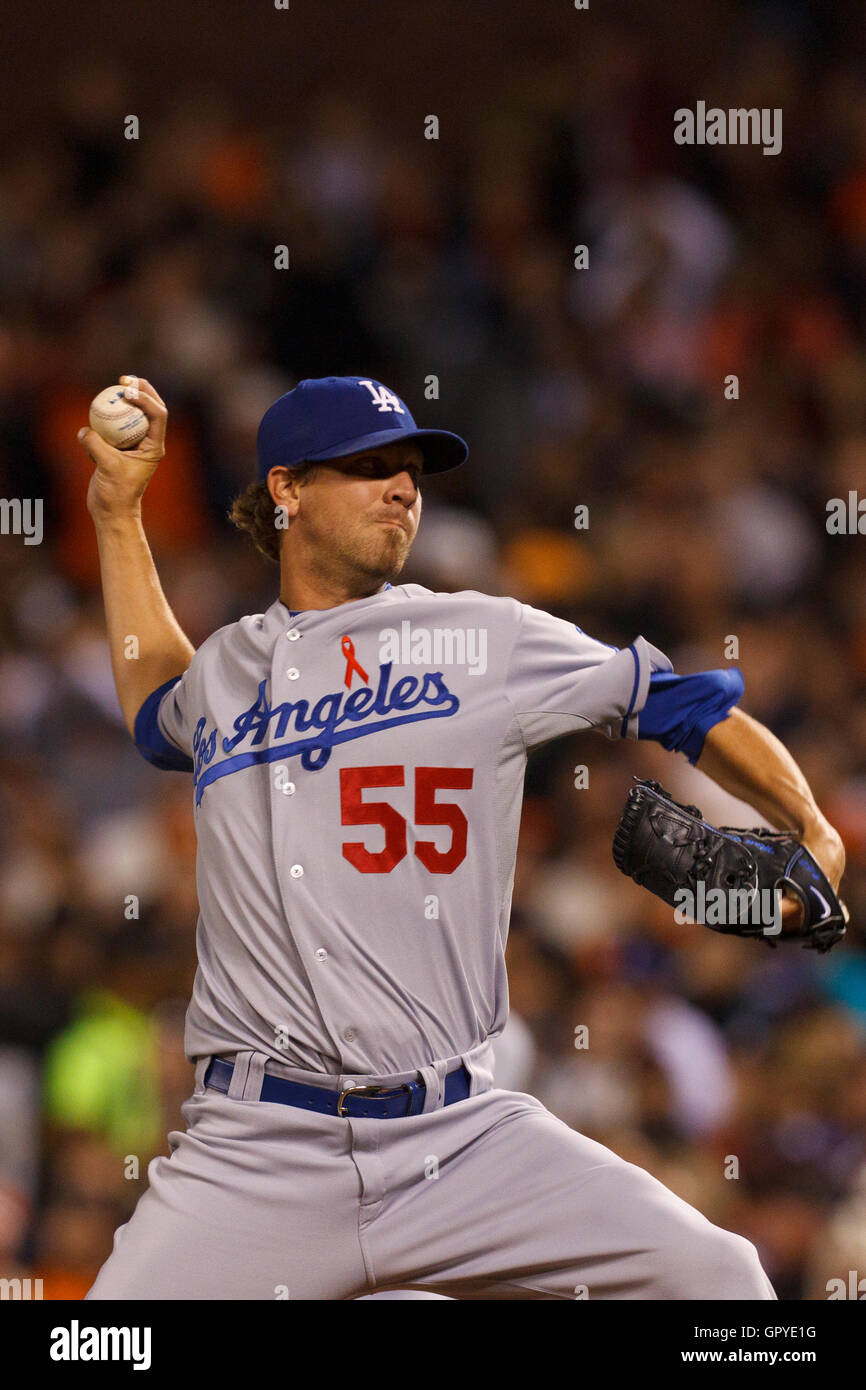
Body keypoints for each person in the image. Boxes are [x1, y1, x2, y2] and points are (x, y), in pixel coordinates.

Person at [79, 374, 844, 1300]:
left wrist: (811, 828)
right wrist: (119, 515)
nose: (403, 486)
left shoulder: (481, 637)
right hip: (254, 1152)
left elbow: (684, 705)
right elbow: (157, 699)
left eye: (411, 469)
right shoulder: (227, 670)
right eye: (369, 466)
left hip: (461, 1137)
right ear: (285, 490)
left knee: (724, 1287)